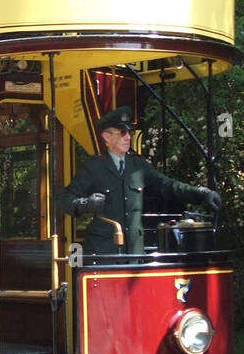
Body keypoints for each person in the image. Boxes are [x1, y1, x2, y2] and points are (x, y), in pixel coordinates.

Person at [57, 106, 220, 258]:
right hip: (104, 253)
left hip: (135, 252)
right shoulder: (94, 167)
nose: (128, 137)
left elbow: (167, 185)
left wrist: (201, 193)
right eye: (122, 132)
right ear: (107, 136)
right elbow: (64, 198)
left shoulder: (138, 166)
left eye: (129, 133)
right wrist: (85, 204)